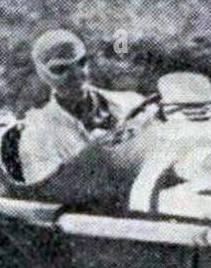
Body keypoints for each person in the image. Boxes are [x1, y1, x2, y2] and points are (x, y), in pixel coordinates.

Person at [9, 30, 125, 186]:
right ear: (43, 74)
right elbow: (51, 192)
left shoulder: (126, 103)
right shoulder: (37, 134)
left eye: (81, 62)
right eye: (61, 69)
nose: (77, 75)